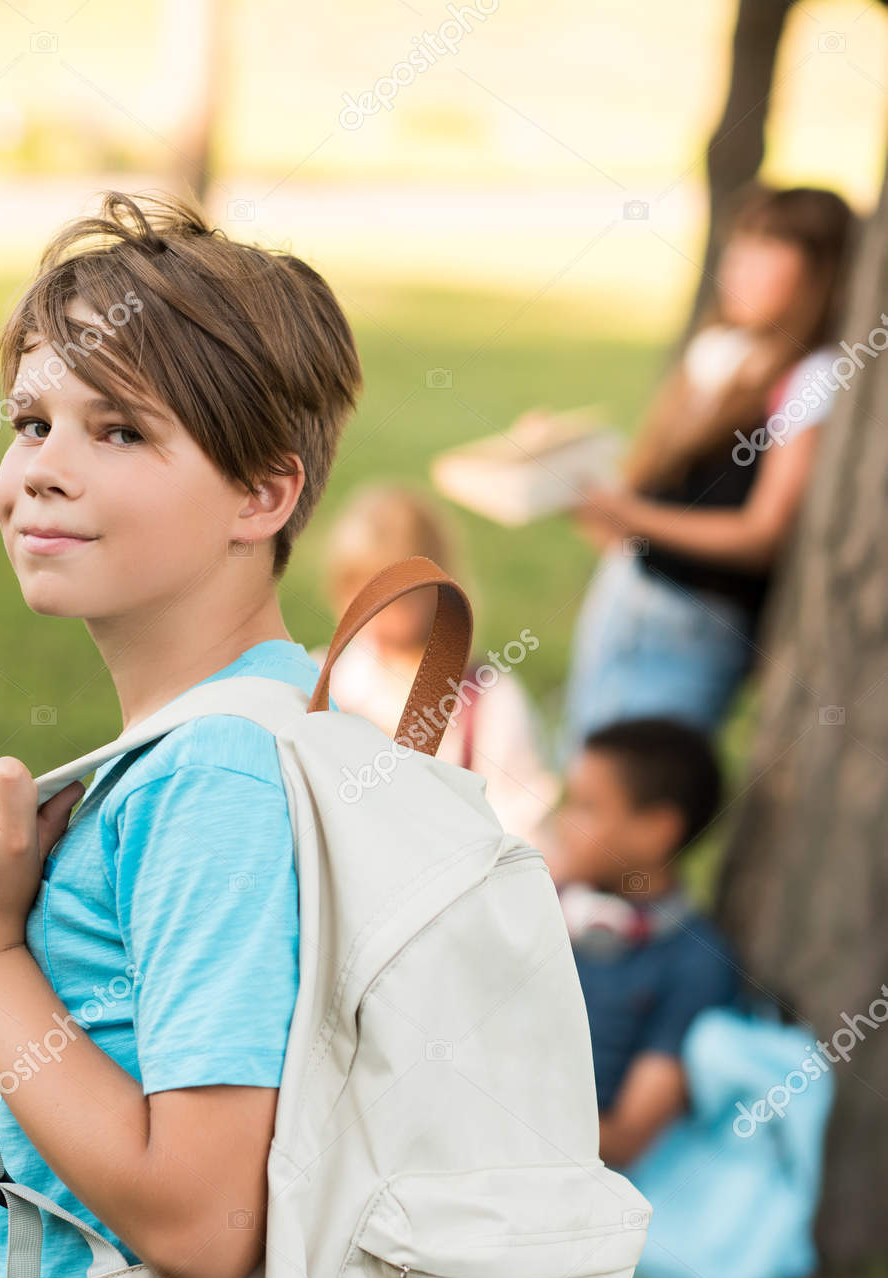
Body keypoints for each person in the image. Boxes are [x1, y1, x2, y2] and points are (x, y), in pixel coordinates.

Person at [0, 189, 374, 1278]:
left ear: (263, 493)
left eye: (120, 432)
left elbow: (201, 1220)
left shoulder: (210, 786)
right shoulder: (293, 710)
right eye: (32, 421)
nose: (42, 470)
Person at [562, 183, 857, 753]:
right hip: (627, 597)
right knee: (582, 778)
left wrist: (632, 514)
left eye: (766, 252)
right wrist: (576, 479)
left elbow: (761, 534)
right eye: (739, 248)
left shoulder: (815, 377)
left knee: (634, 806)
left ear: (818, 273)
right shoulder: (719, 351)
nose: (739, 269)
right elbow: (648, 488)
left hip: (697, 627)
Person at [310, 482, 559, 845]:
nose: (370, 614)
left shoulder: (488, 703)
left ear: (438, 590)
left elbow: (525, 834)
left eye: (391, 599)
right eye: (355, 594)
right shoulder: (324, 681)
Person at [545, 718, 740, 1168]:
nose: (563, 822)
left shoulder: (695, 962)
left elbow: (627, 1139)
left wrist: (496, 1103)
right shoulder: (544, 901)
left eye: (586, 807)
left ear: (656, 830)